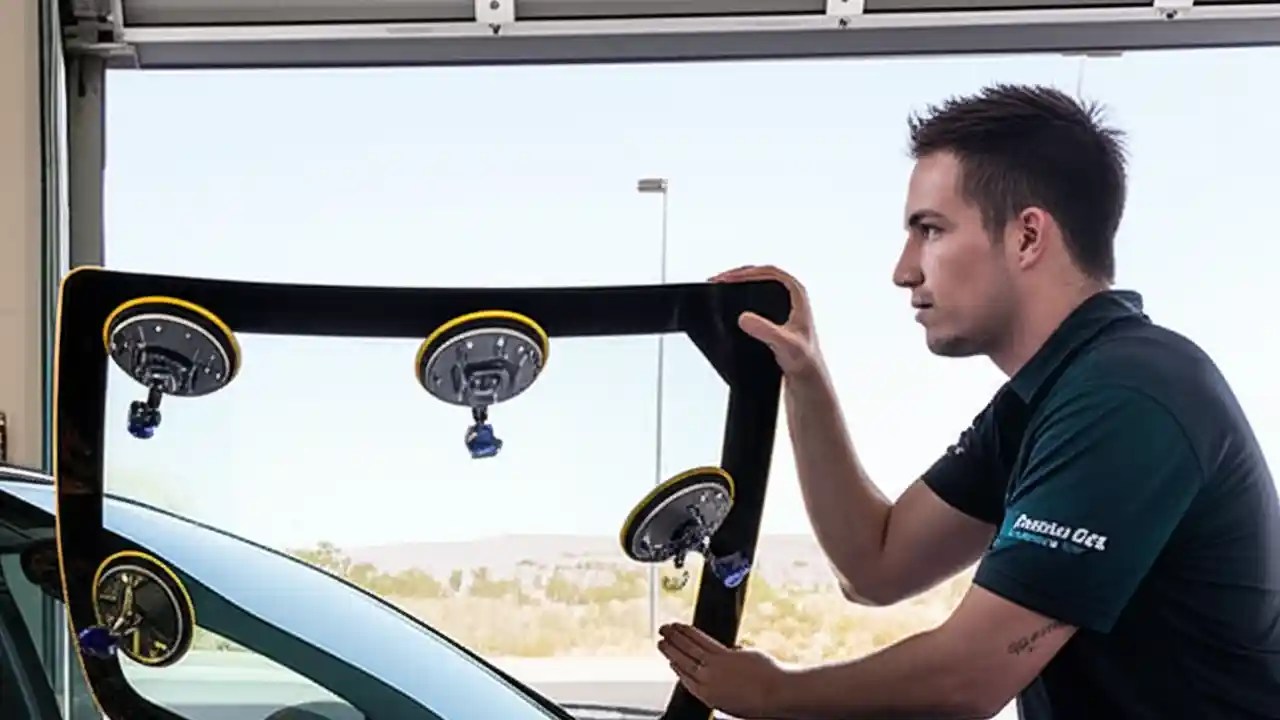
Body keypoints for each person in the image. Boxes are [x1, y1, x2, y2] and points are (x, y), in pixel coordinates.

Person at [655, 83, 1280, 719]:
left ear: (1027, 236)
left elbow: (968, 678)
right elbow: (876, 564)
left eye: (929, 230)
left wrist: (773, 696)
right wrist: (804, 374)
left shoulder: (1130, 395)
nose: (904, 270)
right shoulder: (1050, 398)